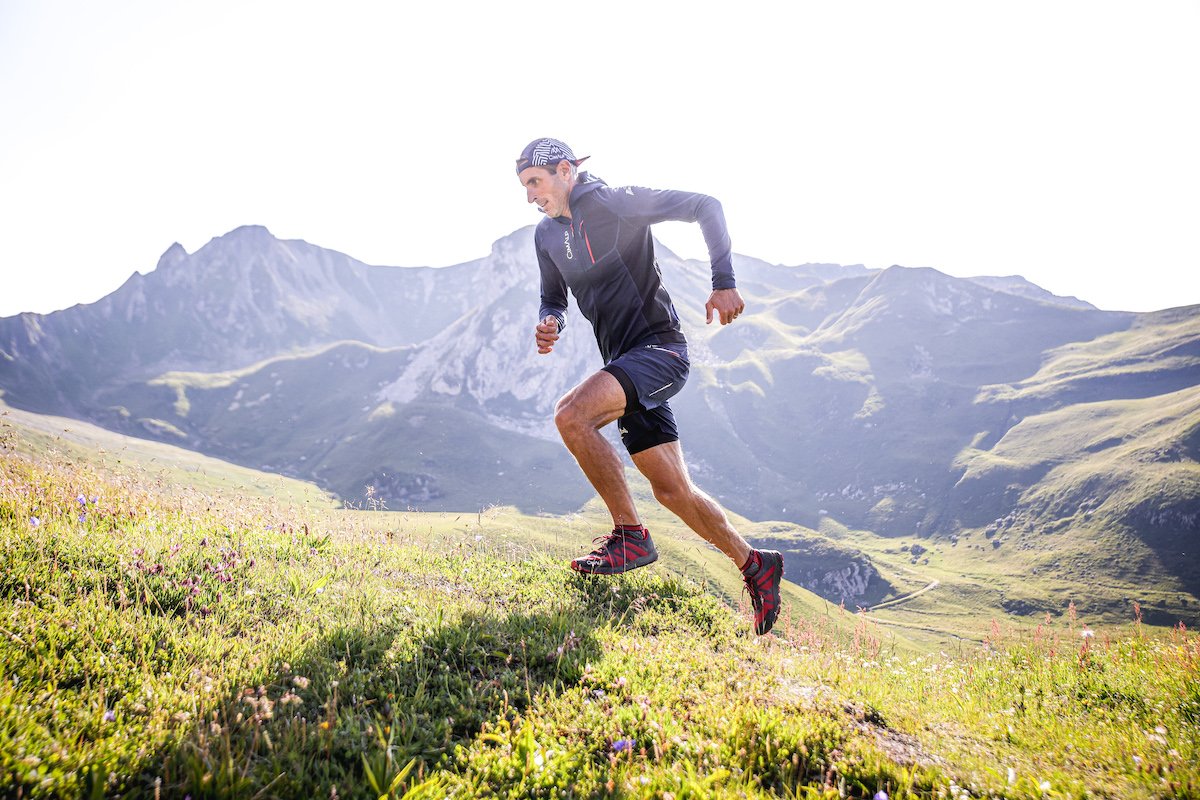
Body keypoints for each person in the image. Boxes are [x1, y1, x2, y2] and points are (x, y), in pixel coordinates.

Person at [515, 137, 784, 636]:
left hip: (660, 351)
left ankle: (629, 535)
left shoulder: (615, 202)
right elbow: (553, 297)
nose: (531, 195)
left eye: (536, 182)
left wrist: (722, 280)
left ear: (565, 171)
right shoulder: (546, 237)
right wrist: (550, 321)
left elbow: (706, 205)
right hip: (625, 364)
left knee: (571, 415)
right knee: (673, 490)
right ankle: (755, 565)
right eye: (524, 187)